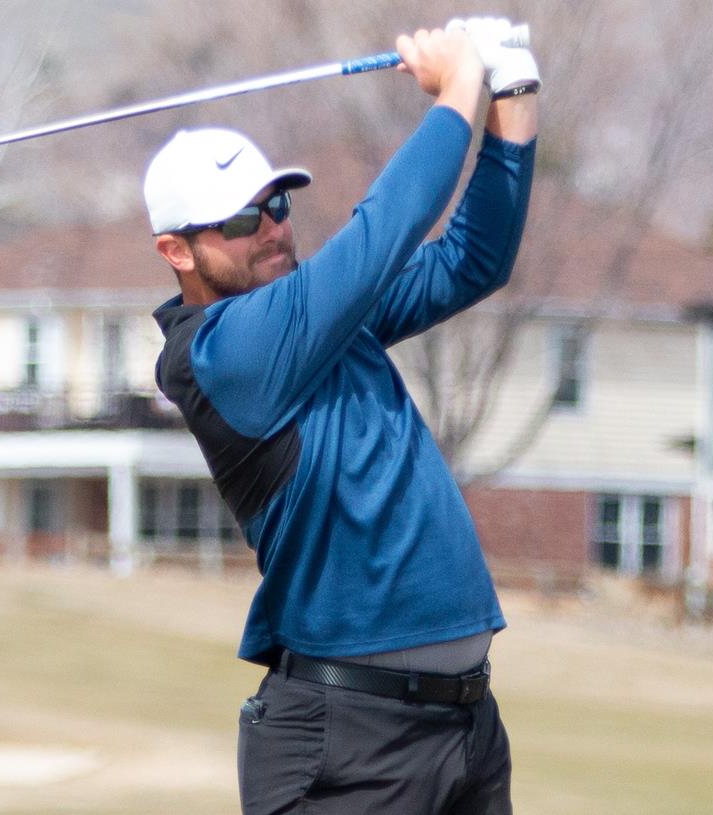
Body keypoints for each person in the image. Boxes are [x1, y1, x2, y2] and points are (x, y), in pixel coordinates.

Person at [145, 19, 538, 815]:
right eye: (244, 221)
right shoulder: (224, 354)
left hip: (461, 727)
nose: (276, 229)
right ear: (177, 252)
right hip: (349, 740)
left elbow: (473, 259)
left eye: (278, 205)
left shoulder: (322, 320)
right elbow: (385, 230)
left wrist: (512, 89)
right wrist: (458, 85)